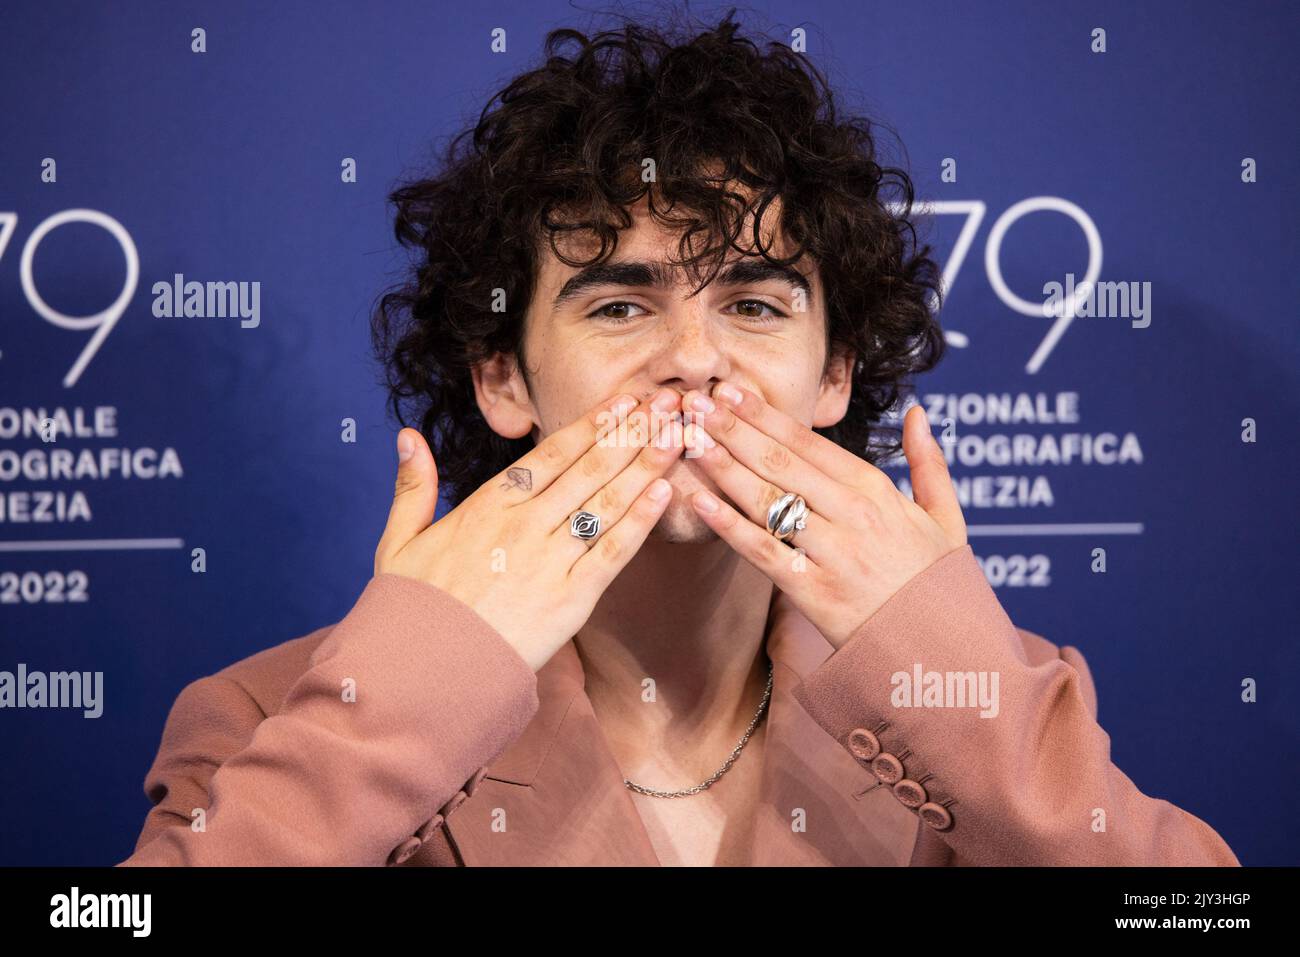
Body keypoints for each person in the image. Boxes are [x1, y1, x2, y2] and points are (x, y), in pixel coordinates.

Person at [119, 10, 1239, 867]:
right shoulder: (272, 714)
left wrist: (966, 701)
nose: (694, 359)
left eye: (754, 304)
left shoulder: (1001, 696)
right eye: (618, 305)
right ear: (502, 373)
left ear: (832, 375)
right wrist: (404, 699)